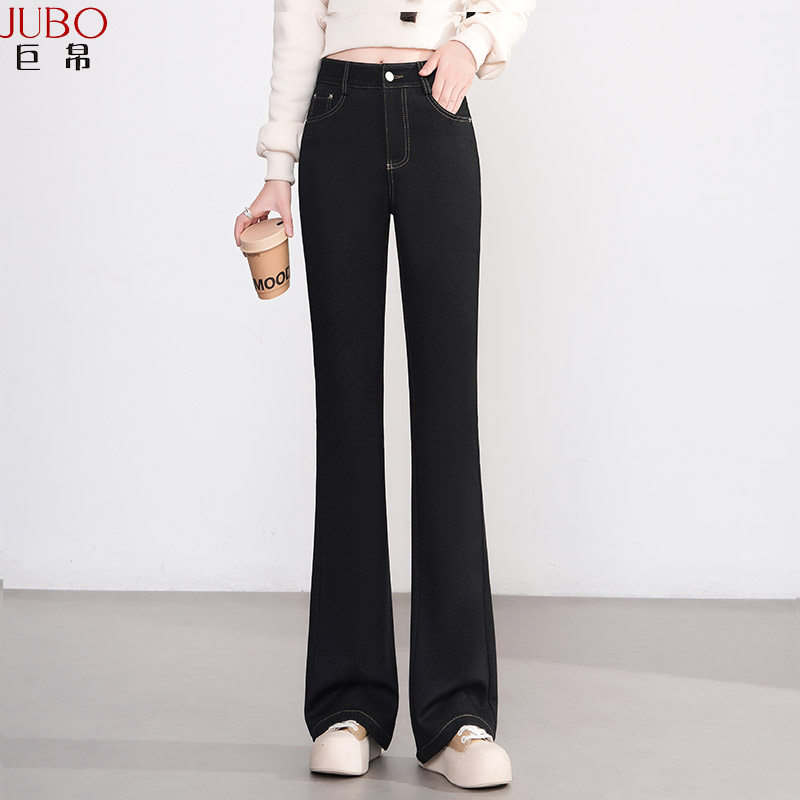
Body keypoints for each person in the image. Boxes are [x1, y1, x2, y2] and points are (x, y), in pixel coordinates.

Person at [234, 0, 535, 790]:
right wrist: (276, 168)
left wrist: (474, 40)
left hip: (436, 112)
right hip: (336, 116)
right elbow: (299, 23)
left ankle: (456, 715)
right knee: (346, 413)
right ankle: (350, 705)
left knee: (447, 416)